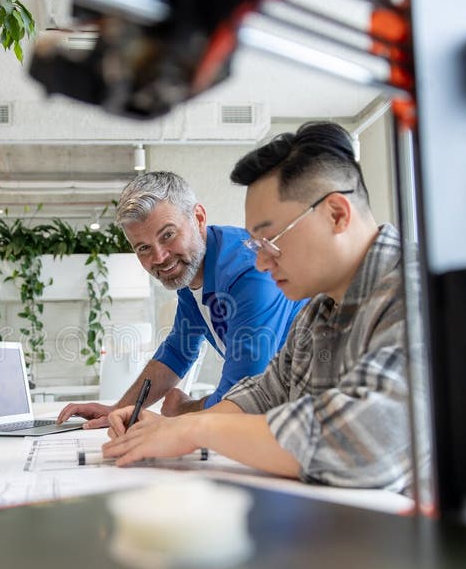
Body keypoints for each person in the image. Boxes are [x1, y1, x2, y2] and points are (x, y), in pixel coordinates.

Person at [103, 123, 414, 492]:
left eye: (273, 240)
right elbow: (263, 393)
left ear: (336, 215)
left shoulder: (413, 293)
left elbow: (362, 445)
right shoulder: (318, 313)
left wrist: (191, 426)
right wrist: (170, 428)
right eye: (256, 245)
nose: (263, 263)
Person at [57, 171, 306, 429]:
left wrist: (183, 411)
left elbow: (245, 396)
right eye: (143, 247)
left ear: (198, 218)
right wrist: (119, 410)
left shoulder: (250, 273)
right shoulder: (191, 277)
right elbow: (177, 352)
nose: (159, 257)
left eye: (167, 235)